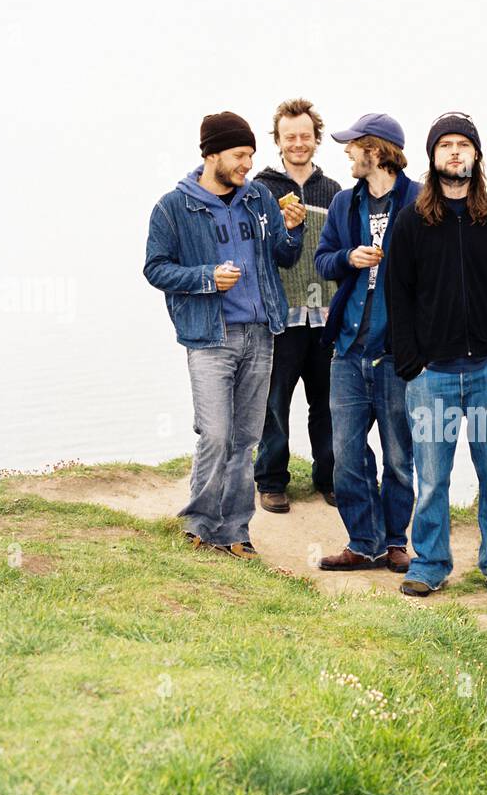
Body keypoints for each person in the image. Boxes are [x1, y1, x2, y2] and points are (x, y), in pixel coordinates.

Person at [144, 111, 303, 558]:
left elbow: (285, 258)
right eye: (239, 155)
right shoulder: (173, 207)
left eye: (251, 155)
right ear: (211, 154)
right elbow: (155, 268)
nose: (247, 164)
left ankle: (235, 531)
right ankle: (199, 523)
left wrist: (292, 229)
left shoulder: (259, 199)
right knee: (215, 434)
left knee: (246, 437)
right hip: (209, 337)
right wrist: (206, 277)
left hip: (261, 333)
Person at [387, 113, 487, 596]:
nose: (454, 152)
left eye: (462, 145)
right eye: (444, 145)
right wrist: (411, 363)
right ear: (432, 157)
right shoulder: (411, 222)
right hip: (432, 378)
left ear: (476, 156)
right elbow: (398, 295)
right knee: (431, 478)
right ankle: (429, 564)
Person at [313, 113, 419, 572]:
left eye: (352, 146)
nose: (346, 153)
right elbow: (321, 262)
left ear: (374, 151)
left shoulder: (419, 200)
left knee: (399, 456)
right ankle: (363, 541)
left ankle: (395, 541)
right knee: (347, 456)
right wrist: (348, 257)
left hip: (397, 355)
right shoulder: (342, 203)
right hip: (347, 351)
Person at [253, 98, 342, 511]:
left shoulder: (335, 191)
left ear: (316, 138)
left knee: (327, 404)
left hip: (325, 317)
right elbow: (255, 250)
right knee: (275, 404)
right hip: (281, 316)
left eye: (305, 136)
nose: (298, 143)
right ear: (278, 140)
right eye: (290, 137)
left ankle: (330, 478)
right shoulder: (261, 189)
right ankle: (271, 481)